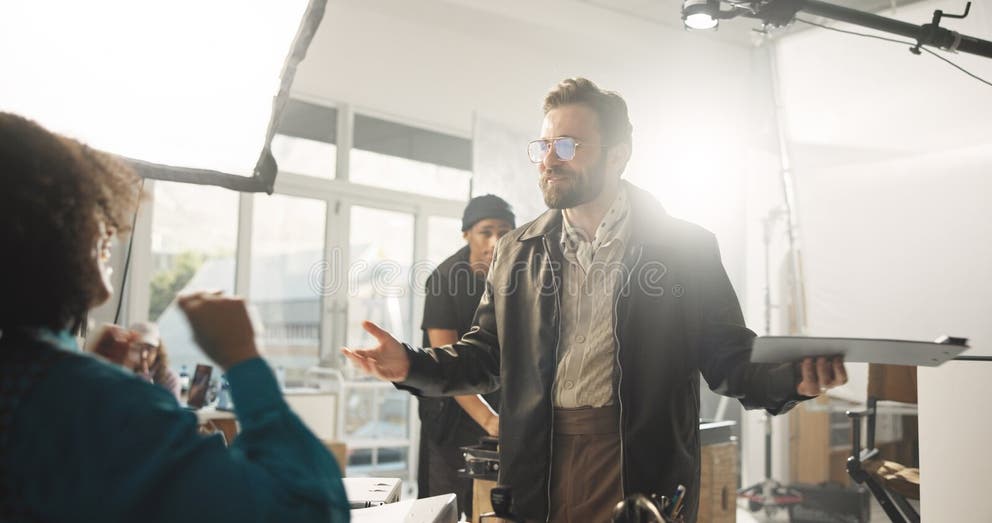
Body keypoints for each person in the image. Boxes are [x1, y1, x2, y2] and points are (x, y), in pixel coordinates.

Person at [343, 78, 847, 522]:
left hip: (636, 460)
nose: (548, 160)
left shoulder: (685, 249)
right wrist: (410, 364)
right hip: (537, 460)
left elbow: (727, 359)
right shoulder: (517, 251)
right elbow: (486, 356)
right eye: (542, 145)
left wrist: (790, 380)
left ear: (618, 154)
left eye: (567, 145)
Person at [0, 112, 349, 522]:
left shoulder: (44, 386)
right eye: (86, 205)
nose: (110, 225)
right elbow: (309, 512)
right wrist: (244, 359)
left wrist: (90, 379)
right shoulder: (90, 403)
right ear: (46, 227)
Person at [417, 195, 515, 517]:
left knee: (492, 508)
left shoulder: (517, 276)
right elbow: (443, 361)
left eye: (504, 230)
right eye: (486, 231)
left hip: (500, 413)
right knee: (444, 506)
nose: (495, 241)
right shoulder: (445, 280)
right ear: (466, 234)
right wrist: (487, 418)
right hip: (452, 412)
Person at [127, 322, 182, 401]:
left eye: (149, 348)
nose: (144, 355)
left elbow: (171, 411)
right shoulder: (118, 372)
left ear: (158, 351)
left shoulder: (170, 379)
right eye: (138, 347)